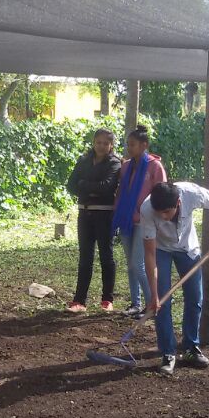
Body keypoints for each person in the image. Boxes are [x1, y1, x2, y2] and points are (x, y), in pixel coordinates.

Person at [141, 180, 209, 375]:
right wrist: (153, 294)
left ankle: (190, 348)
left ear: (178, 202)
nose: (162, 216)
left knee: (195, 298)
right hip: (160, 250)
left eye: (166, 212)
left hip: (188, 248)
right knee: (162, 301)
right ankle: (168, 352)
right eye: (159, 212)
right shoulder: (147, 209)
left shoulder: (191, 193)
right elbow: (150, 255)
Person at [111, 125, 167, 318]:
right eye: (128, 144)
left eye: (133, 144)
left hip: (145, 222)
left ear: (144, 145)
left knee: (138, 264)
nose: (129, 148)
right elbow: (121, 191)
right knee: (130, 264)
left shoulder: (154, 166)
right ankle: (136, 303)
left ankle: (153, 303)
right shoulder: (125, 166)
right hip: (126, 219)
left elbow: (161, 193)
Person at [66, 129, 121, 312]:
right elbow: (71, 185)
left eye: (106, 143)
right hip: (85, 214)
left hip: (105, 215)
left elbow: (107, 187)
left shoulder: (114, 163)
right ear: (93, 142)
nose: (102, 146)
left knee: (106, 256)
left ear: (111, 145)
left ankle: (107, 299)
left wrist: (84, 185)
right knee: (85, 258)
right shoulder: (83, 160)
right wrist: (91, 187)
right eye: (98, 142)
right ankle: (79, 301)